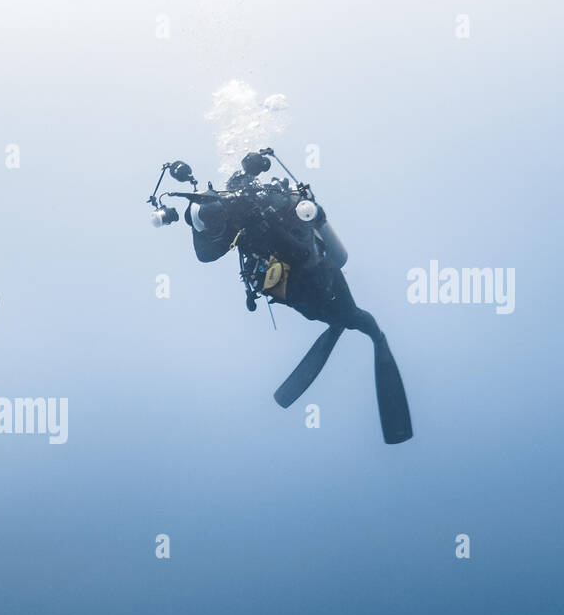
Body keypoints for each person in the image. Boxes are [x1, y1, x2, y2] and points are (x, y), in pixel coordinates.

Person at [173, 150, 412, 444]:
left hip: (315, 272)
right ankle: (343, 323)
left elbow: (308, 226)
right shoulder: (226, 216)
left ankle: (372, 334)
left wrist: (273, 216)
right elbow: (205, 255)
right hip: (288, 288)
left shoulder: (269, 201)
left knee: (351, 316)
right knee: (327, 314)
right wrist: (200, 221)